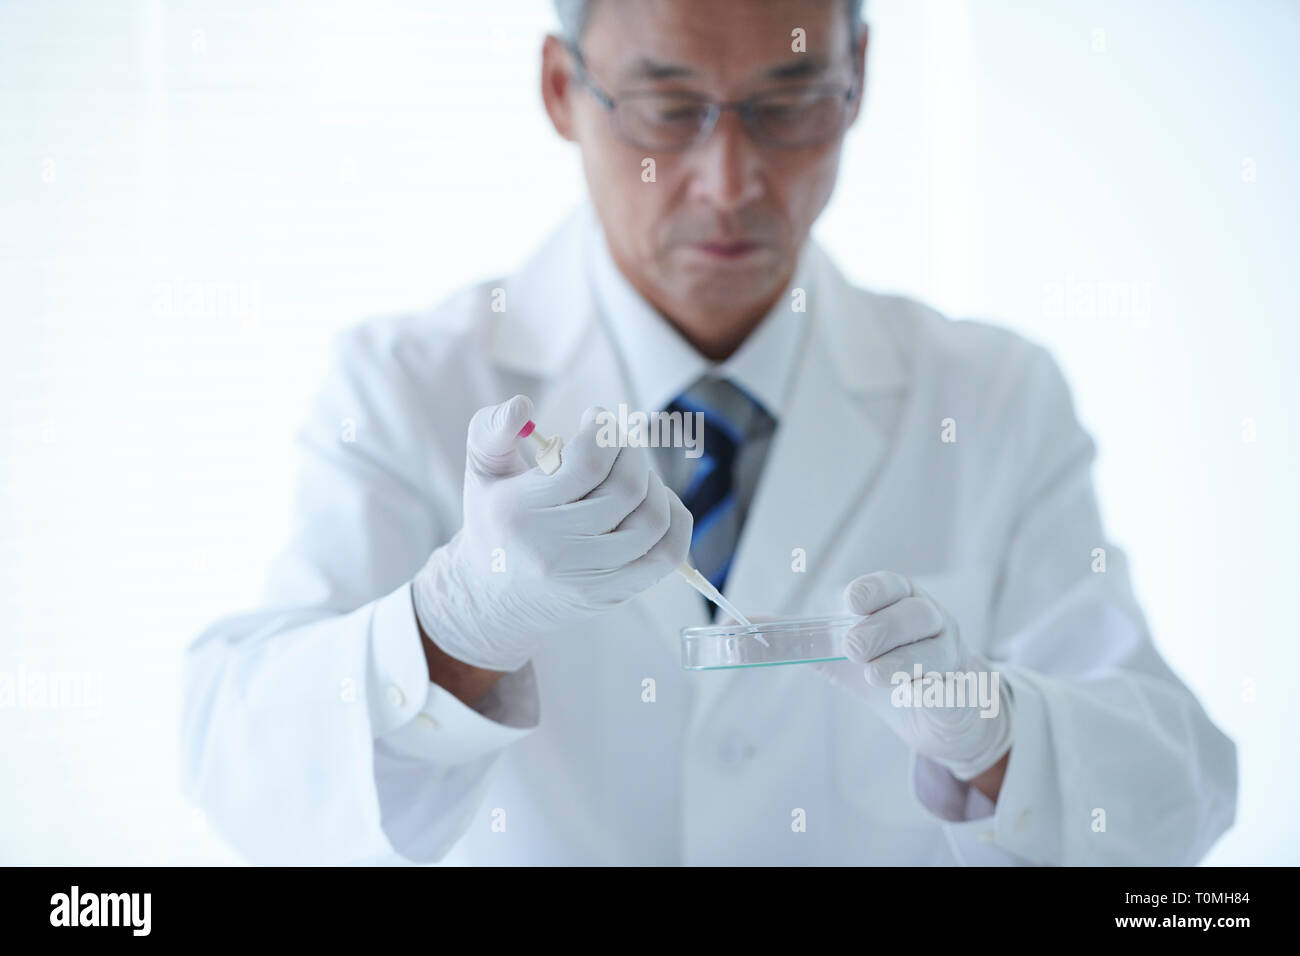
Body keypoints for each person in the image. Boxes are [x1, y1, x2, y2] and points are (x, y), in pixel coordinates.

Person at [181, 0, 1236, 865]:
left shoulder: (995, 393)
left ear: (857, 76)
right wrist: (458, 624)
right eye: (664, 106)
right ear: (562, 88)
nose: (729, 181)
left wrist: (1005, 739)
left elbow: (1181, 790)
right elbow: (241, 766)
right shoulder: (405, 382)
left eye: (789, 105)